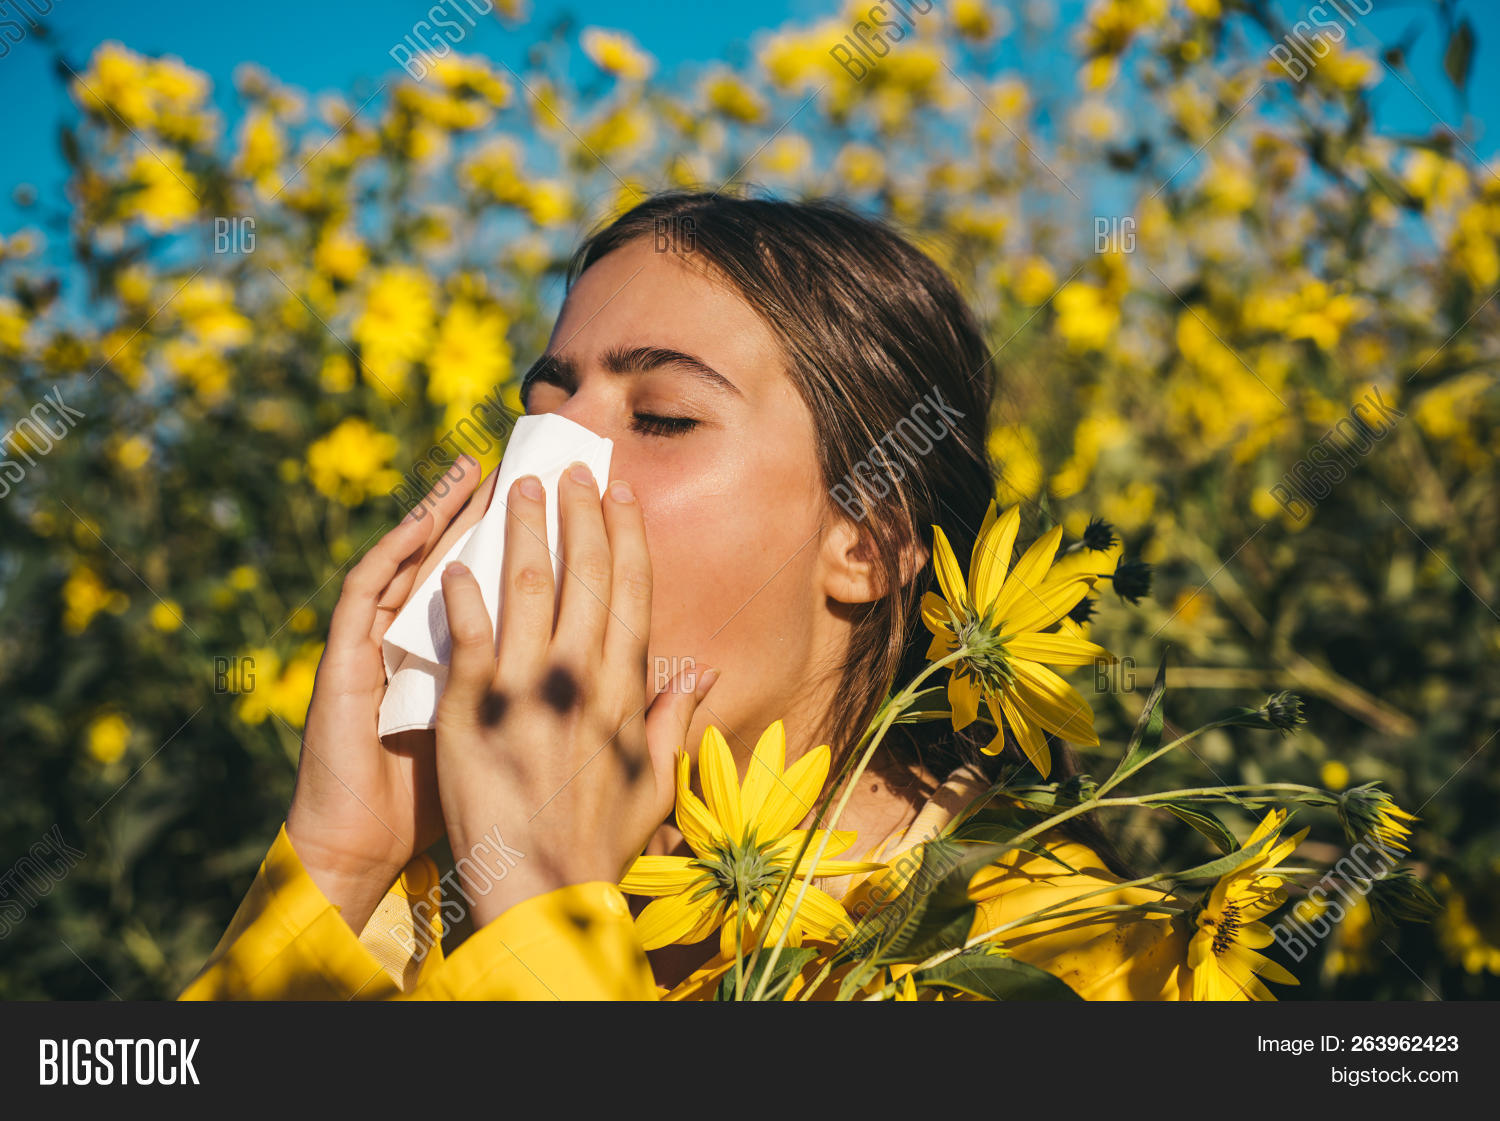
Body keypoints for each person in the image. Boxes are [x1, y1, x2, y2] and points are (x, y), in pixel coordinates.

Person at [180, 191, 1190, 1001]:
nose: (546, 470)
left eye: (660, 417)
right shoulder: (422, 906)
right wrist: (337, 866)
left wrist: (546, 910)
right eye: (540, 410)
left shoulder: (1073, 960)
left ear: (870, 543)